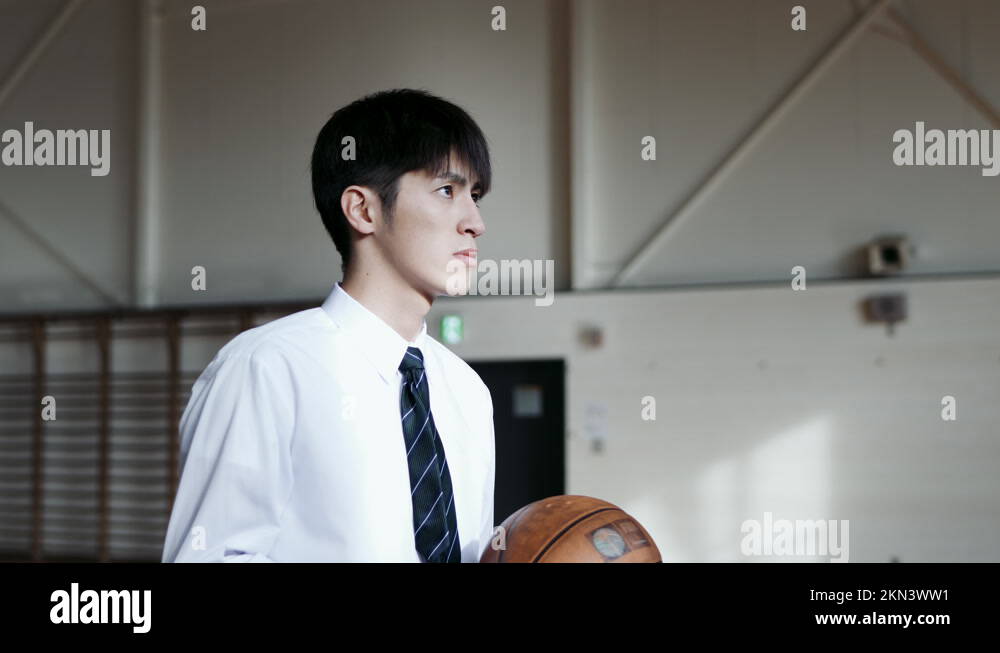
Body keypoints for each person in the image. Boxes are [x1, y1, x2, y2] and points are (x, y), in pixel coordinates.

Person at [161, 88, 495, 562]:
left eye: (476, 196)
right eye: (448, 191)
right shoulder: (266, 368)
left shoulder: (468, 392)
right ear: (363, 209)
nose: (475, 222)